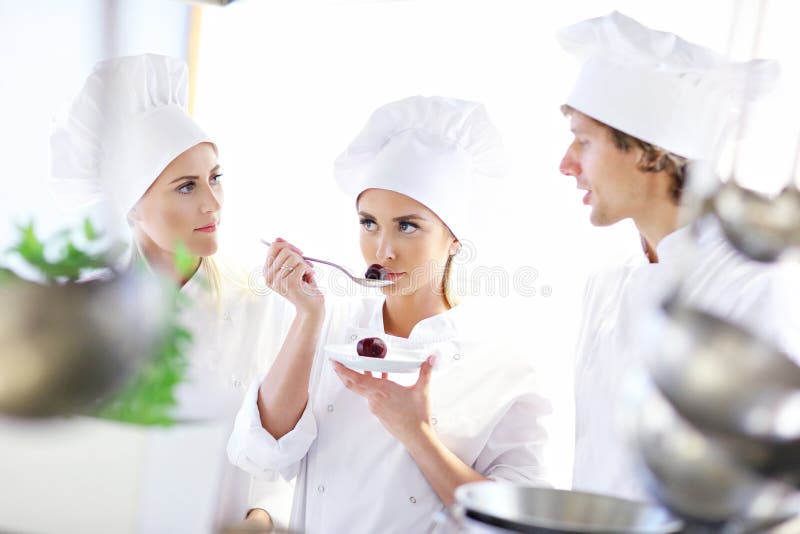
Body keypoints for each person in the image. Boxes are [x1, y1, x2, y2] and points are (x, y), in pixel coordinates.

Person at [227, 95, 552, 533]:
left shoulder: (503, 364)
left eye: (407, 225)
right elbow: (262, 454)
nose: (383, 250)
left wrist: (415, 432)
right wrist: (307, 316)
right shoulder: (331, 326)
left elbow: (516, 523)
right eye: (369, 223)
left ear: (454, 238)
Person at [557, 12, 800, 501]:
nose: (566, 164)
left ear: (651, 152)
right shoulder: (605, 286)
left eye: (584, 140)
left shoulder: (757, 286)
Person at [49, 54, 293, 528]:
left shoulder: (261, 302)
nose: (213, 202)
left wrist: (260, 521)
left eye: (215, 177)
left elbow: (280, 461)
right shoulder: (83, 311)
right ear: (134, 207)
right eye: (186, 187)